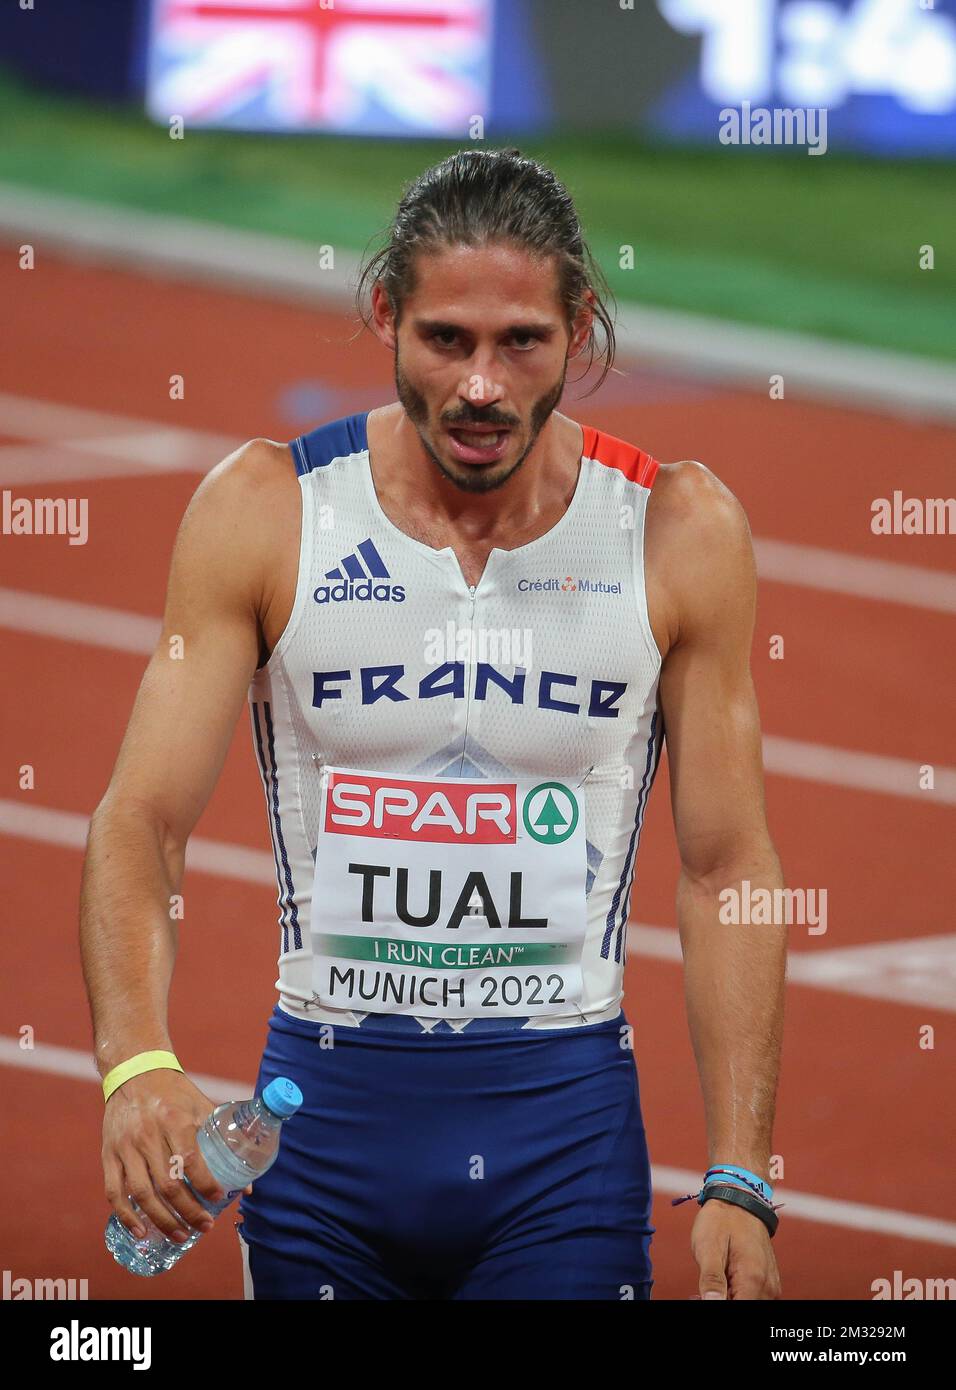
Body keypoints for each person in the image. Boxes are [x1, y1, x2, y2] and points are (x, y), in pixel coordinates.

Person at [81, 148, 785, 1301]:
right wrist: (135, 1066)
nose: (480, 387)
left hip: (560, 1146)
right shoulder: (267, 511)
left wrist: (738, 1177)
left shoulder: (675, 528)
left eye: (521, 341)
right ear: (383, 314)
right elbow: (140, 818)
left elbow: (725, 869)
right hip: (322, 1135)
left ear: (582, 330)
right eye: (445, 339)